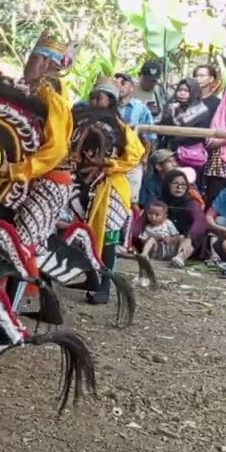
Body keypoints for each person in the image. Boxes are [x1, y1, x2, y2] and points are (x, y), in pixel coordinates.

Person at [0, 30, 75, 256]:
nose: (27, 64)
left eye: (33, 58)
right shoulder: (31, 91)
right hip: (29, 177)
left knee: (22, 244)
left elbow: (56, 149)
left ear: (45, 63)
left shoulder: (53, 100)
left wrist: (17, 170)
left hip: (50, 179)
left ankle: (23, 276)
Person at [79, 74, 145, 305]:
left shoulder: (121, 128)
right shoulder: (84, 124)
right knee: (86, 235)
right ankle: (91, 279)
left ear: (112, 101)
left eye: (101, 98)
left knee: (108, 237)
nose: (95, 102)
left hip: (112, 189)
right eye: (93, 98)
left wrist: (109, 165)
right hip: (86, 185)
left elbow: (135, 155)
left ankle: (105, 288)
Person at [114, 71, 155, 204]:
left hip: (133, 159)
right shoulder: (108, 106)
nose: (119, 86)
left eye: (123, 83)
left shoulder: (141, 109)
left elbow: (150, 136)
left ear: (132, 87)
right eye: (116, 83)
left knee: (132, 199)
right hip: (112, 159)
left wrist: (145, 157)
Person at [159, 77, 213, 173]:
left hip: (190, 156)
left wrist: (178, 138)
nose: (182, 93)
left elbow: (201, 135)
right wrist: (171, 114)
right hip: (170, 155)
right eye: (179, 90)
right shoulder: (171, 105)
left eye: (186, 91)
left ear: (194, 92)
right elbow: (162, 127)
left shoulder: (201, 110)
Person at [155, 169, 204, 266]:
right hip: (164, 239)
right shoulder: (158, 202)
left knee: (196, 235)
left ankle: (180, 257)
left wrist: (189, 237)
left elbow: (200, 221)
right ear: (167, 184)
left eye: (183, 184)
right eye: (175, 183)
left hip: (185, 239)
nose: (179, 187)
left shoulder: (191, 202)